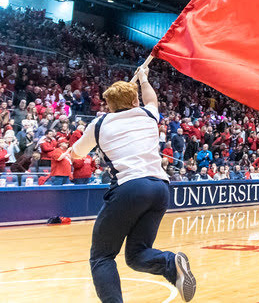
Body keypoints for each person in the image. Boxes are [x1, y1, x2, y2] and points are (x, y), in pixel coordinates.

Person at [66, 67, 196, 302]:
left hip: (130, 188)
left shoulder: (99, 124)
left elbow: (78, 153)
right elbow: (152, 98)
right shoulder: (147, 115)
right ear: (135, 100)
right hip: (159, 188)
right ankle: (169, 263)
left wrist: (71, 151)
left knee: (102, 257)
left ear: (109, 105)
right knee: (137, 255)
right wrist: (144, 77)